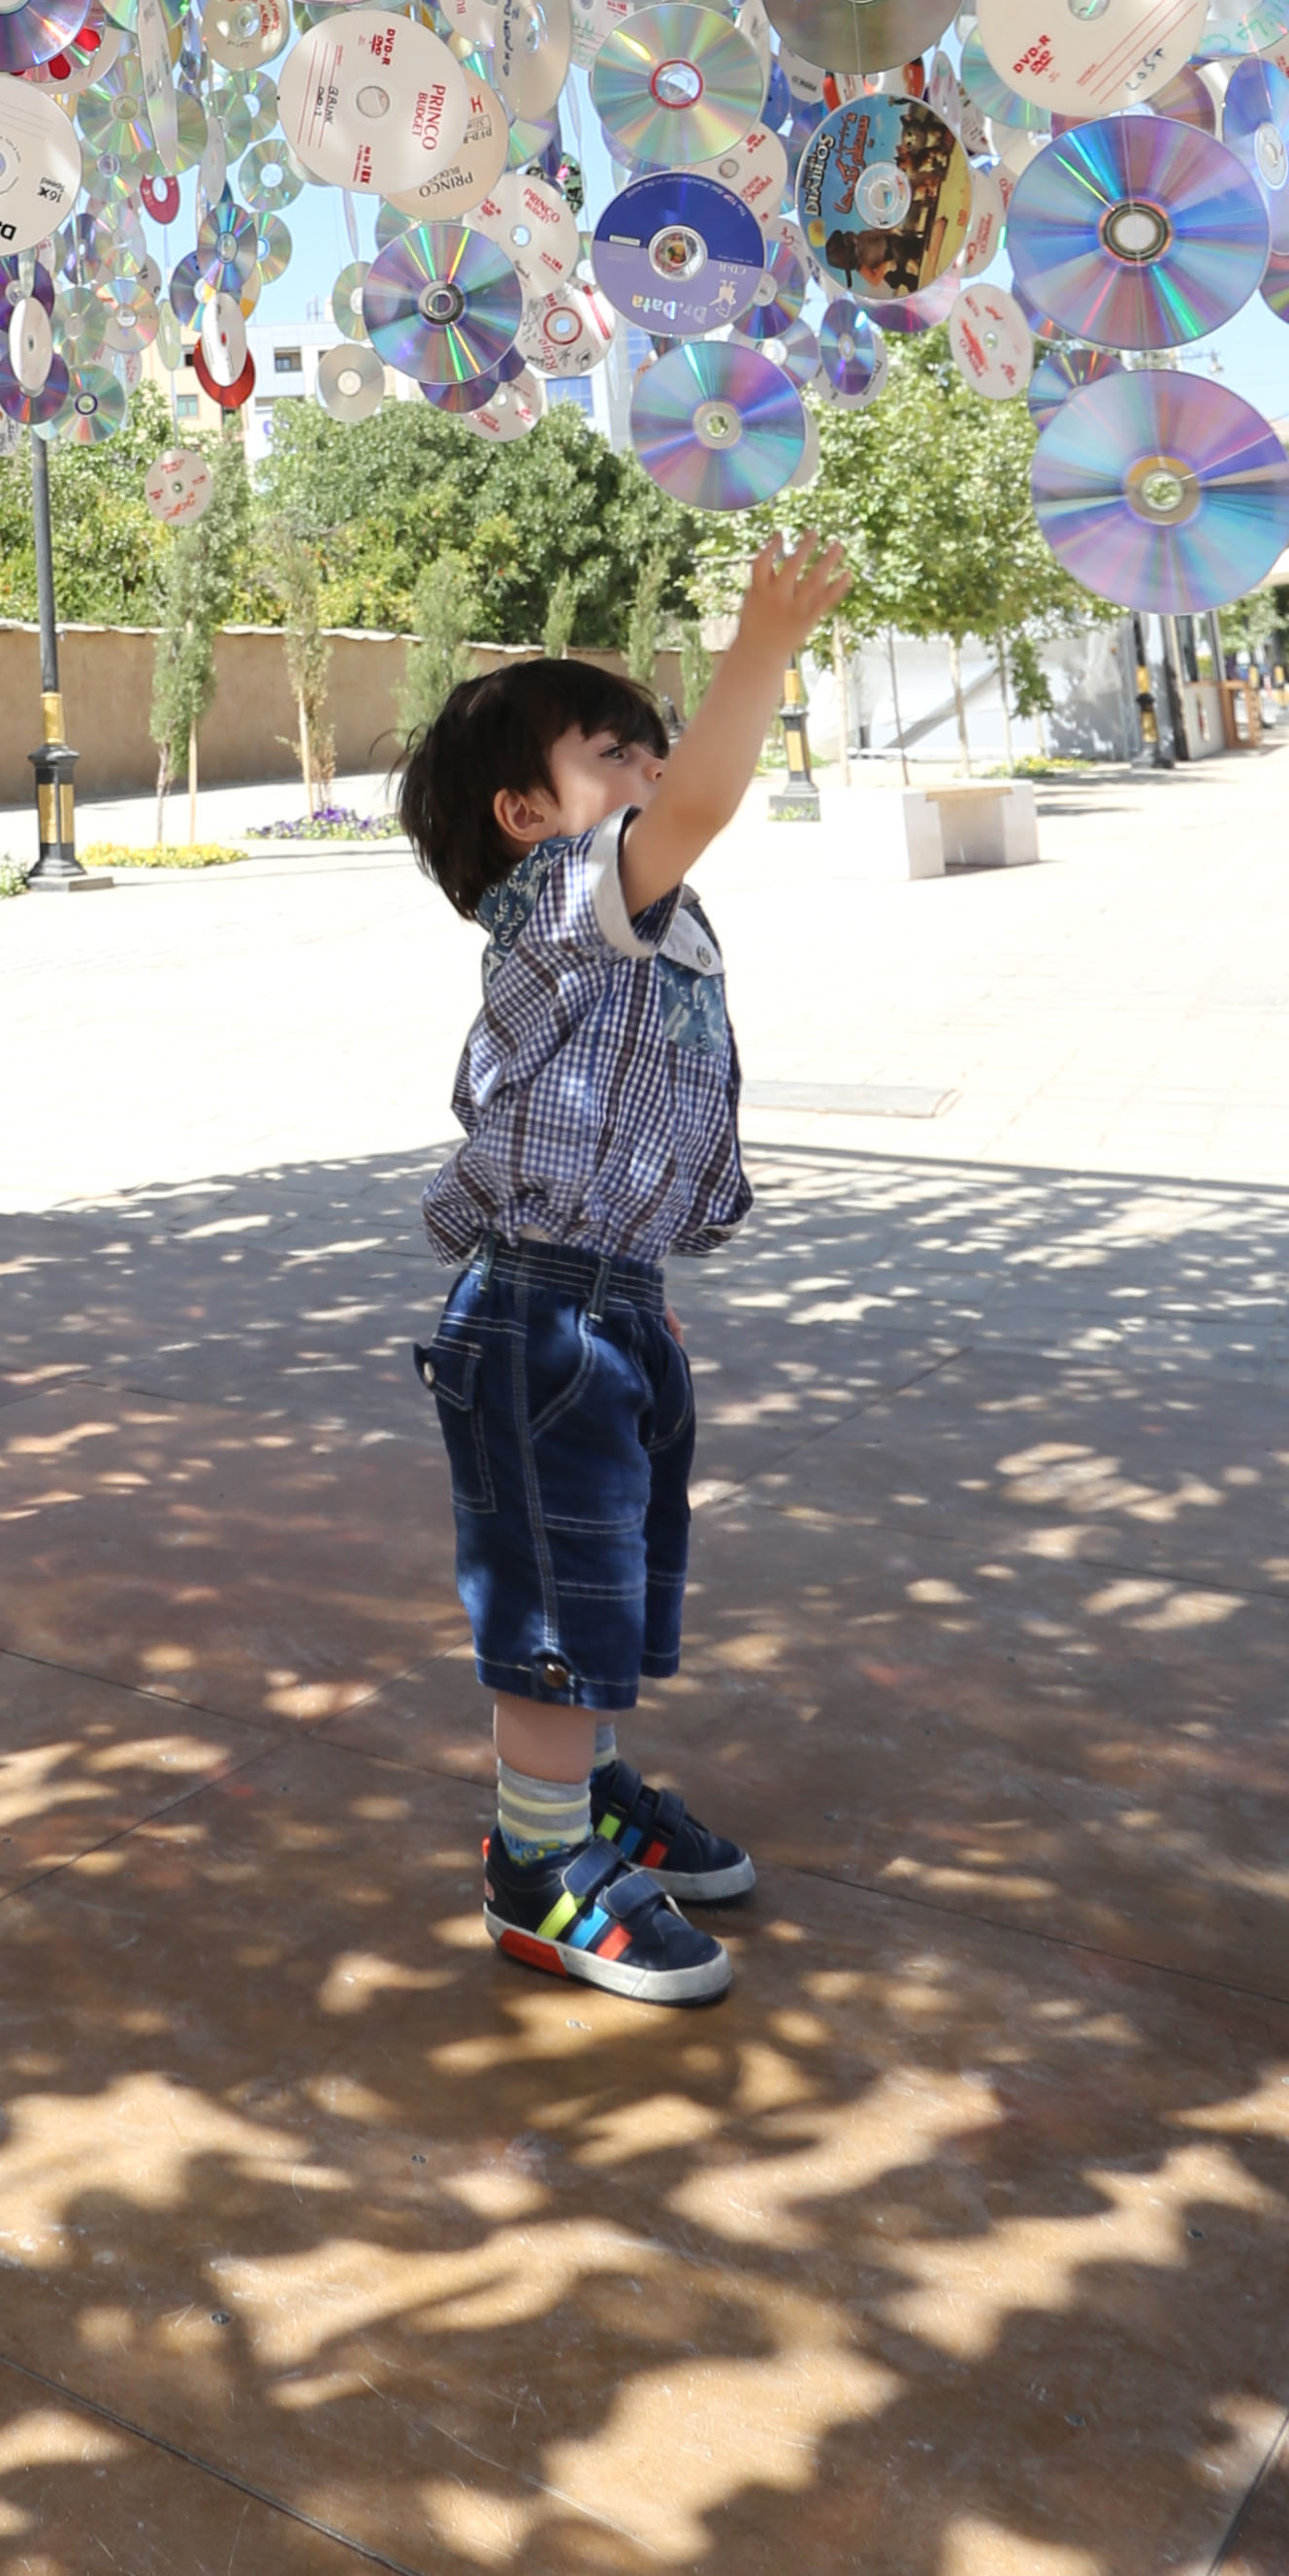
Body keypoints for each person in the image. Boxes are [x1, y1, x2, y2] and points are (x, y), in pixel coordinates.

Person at [396, 537, 854, 2007]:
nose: (657, 769)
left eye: (653, 749)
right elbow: (713, 790)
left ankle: (581, 1800)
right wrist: (761, 641)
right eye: (620, 753)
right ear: (529, 814)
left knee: (602, 1589)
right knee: (549, 1611)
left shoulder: (641, 919)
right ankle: (537, 1867)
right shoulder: (561, 902)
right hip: (540, 1315)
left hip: (617, 1302)